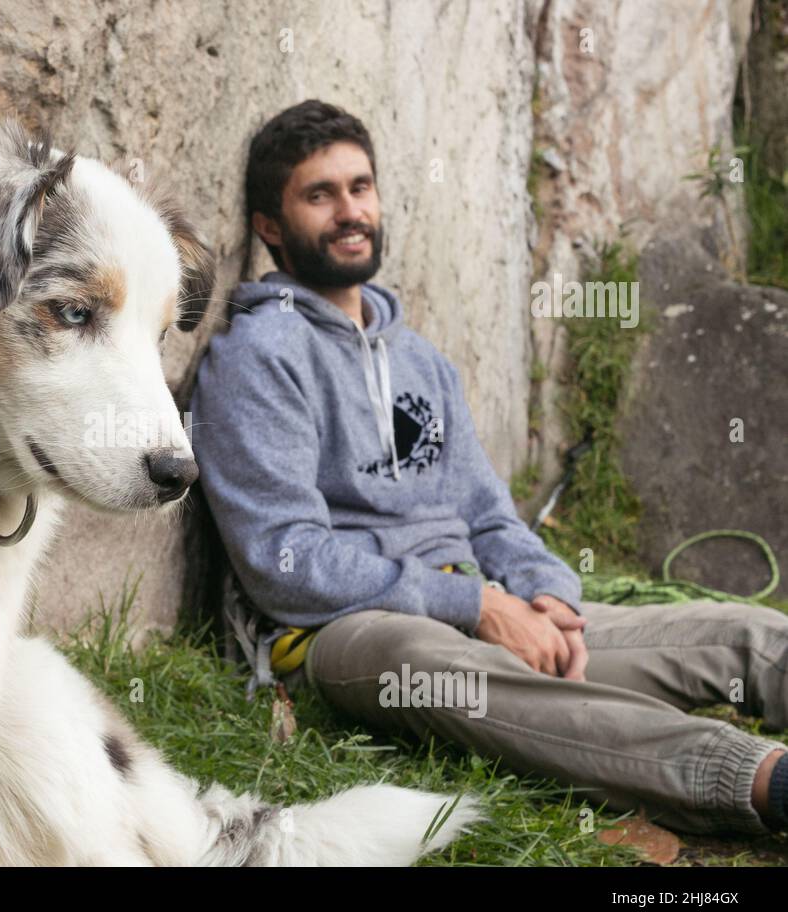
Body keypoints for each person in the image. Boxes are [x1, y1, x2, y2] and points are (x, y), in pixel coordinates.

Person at [188, 99, 788, 836]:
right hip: (346, 635)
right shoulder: (259, 356)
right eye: (321, 195)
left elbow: (488, 515)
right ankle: (764, 780)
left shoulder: (422, 361)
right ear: (271, 227)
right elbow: (286, 560)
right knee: (434, 664)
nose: (350, 211)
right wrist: (475, 607)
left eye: (361, 187)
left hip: (482, 608)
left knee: (746, 636)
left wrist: (548, 597)